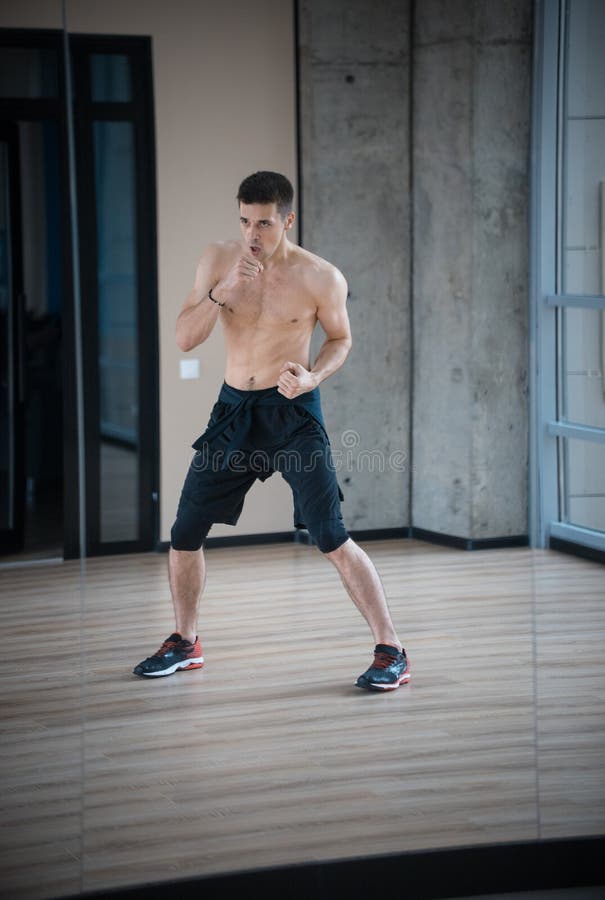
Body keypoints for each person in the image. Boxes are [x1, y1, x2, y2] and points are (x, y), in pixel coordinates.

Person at [133, 171, 410, 691]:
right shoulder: (218, 261)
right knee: (185, 531)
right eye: (243, 221)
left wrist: (313, 376)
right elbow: (184, 339)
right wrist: (225, 290)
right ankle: (185, 641)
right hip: (234, 411)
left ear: (287, 219)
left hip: (292, 414)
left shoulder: (320, 277)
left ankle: (392, 649)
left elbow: (341, 339)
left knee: (331, 534)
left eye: (263, 223)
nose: (251, 235)